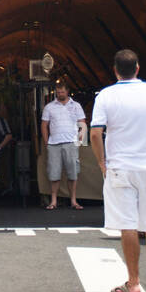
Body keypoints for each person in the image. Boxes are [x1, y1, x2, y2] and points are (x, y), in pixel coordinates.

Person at [90, 49, 146, 292]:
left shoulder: (106, 95)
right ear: (137, 68)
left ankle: (133, 282)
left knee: (127, 224)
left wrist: (101, 162)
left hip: (119, 166)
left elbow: (96, 132)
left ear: (115, 70)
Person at [41, 80, 87, 210]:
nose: (60, 93)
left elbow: (82, 124)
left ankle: (73, 200)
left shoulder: (76, 105)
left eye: (62, 91)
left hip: (71, 142)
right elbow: (44, 125)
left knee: (73, 173)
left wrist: (79, 141)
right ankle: (53, 201)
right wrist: (46, 142)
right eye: (58, 91)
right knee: (54, 173)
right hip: (54, 143)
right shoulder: (49, 107)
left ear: (67, 91)